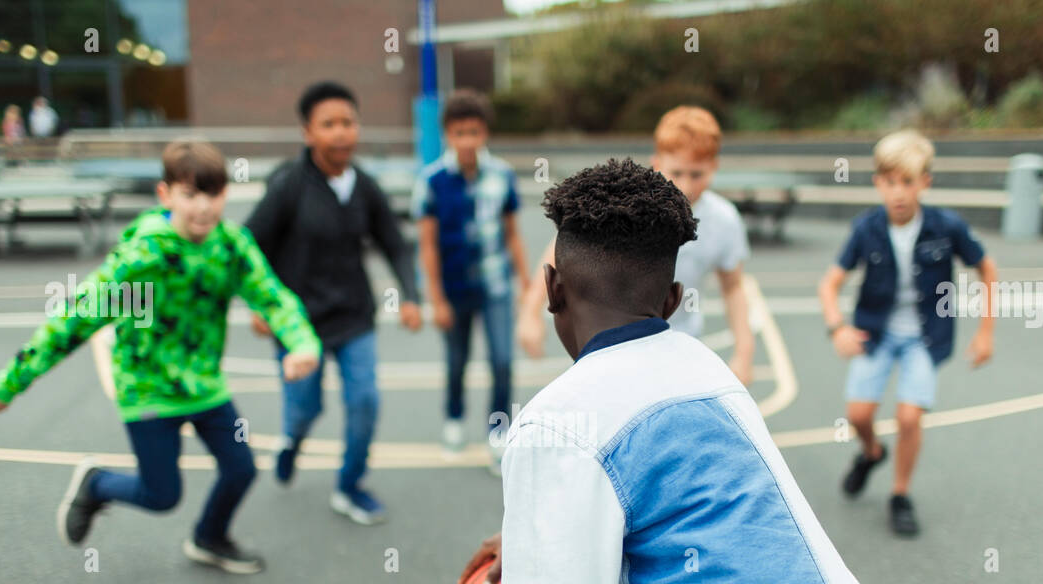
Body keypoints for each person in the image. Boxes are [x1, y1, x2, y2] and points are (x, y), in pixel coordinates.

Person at [453, 159, 945, 584]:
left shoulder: (557, 420)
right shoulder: (711, 375)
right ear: (679, 297)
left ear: (551, 286)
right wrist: (529, 538)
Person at [0, 140, 321, 573]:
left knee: (242, 469)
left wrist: (303, 343)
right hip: (148, 391)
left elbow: (273, 297)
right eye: (190, 194)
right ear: (166, 195)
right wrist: (11, 383)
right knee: (162, 495)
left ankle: (209, 538)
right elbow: (75, 318)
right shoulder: (144, 255)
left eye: (213, 194)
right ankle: (97, 485)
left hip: (205, 386)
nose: (203, 207)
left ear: (226, 195)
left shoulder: (231, 245)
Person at [245, 80, 422, 525]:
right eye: (329, 124)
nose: (341, 132)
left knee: (365, 402)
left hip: (353, 316)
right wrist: (261, 306)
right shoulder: (288, 185)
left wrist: (411, 297)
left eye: (348, 122)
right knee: (306, 408)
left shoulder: (364, 185)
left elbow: (395, 244)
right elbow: (246, 247)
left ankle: (349, 486)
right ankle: (292, 440)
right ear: (308, 132)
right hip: (298, 323)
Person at [817, 129, 996, 536]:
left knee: (909, 417)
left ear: (924, 183)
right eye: (890, 182)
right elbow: (829, 284)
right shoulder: (866, 229)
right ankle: (872, 452)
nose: (899, 193)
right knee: (858, 414)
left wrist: (986, 333)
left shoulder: (945, 226)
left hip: (925, 337)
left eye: (908, 183)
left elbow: (987, 268)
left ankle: (900, 495)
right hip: (874, 333)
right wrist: (837, 328)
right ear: (878, 183)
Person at [517, 106, 758, 387]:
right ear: (657, 163)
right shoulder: (630, 207)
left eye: (697, 174)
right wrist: (530, 312)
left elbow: (733, 287)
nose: (686, 185)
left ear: (714, 167)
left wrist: (744, 352)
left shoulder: (724, 221)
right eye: (677, 172)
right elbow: (559, 251)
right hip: (614, 341)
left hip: (682, 344)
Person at [411, 88, 529, 475]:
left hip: (495, 287)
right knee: (457, 361)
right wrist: (436, 299)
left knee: (501, 362)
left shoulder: (502, 175)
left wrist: (527, 283)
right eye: (459, 132)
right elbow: (427, 246)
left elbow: (512, 234)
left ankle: (497, 436)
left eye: (474, 132)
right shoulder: (431, 181)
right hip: (454, 290)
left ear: (485, 134)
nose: (467, 141)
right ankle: (454, 419)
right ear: (447, 134)